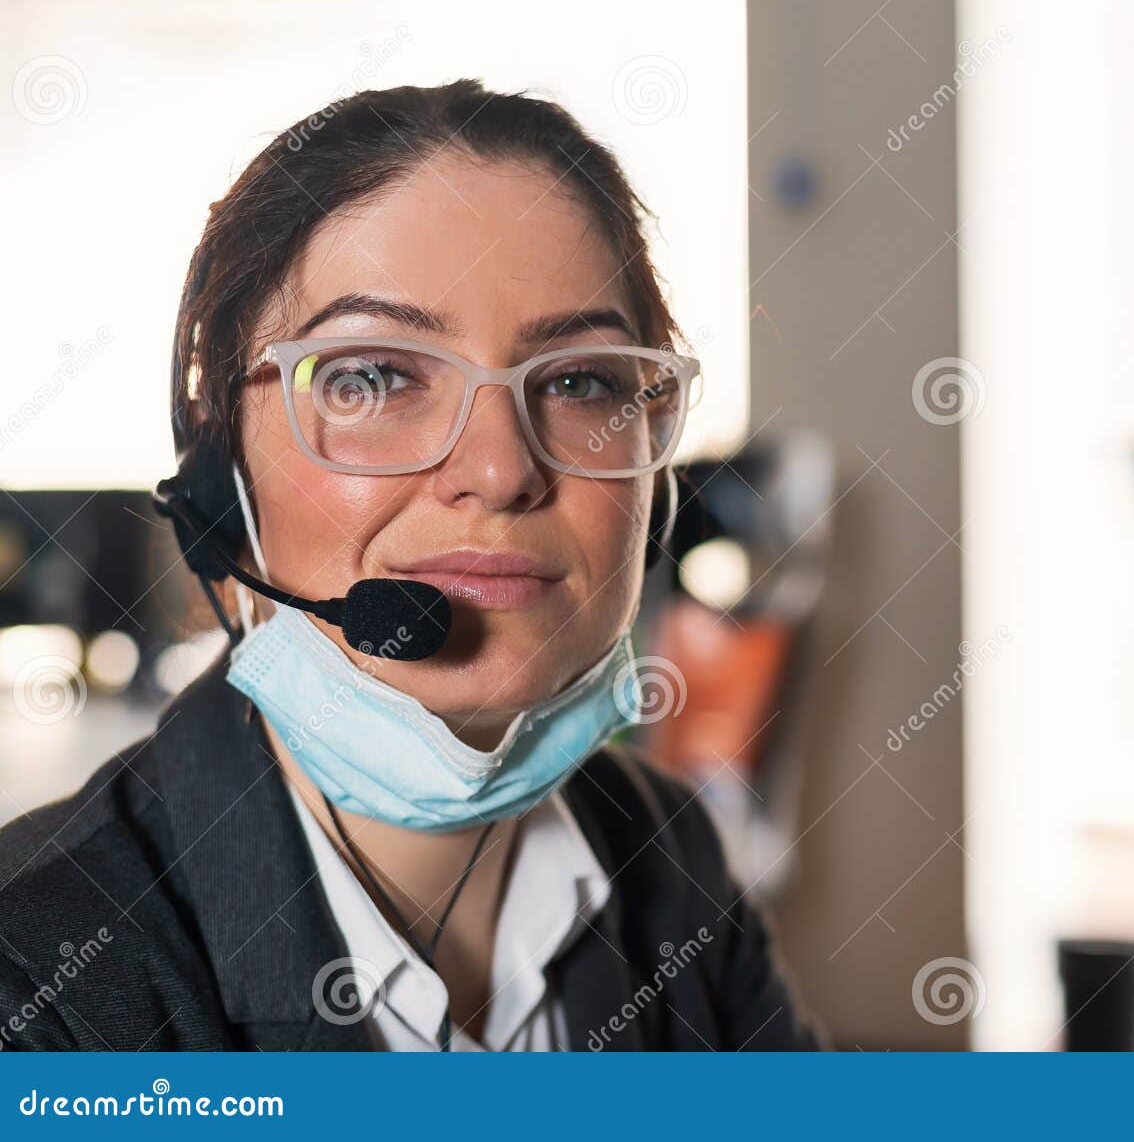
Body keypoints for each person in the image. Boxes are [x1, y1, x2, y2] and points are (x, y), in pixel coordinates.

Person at [0, 80, 819, 1052]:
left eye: (580, 380)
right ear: (220, 489)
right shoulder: (40, 982)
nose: (501, 468)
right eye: (374, 375)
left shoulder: (667, 858)